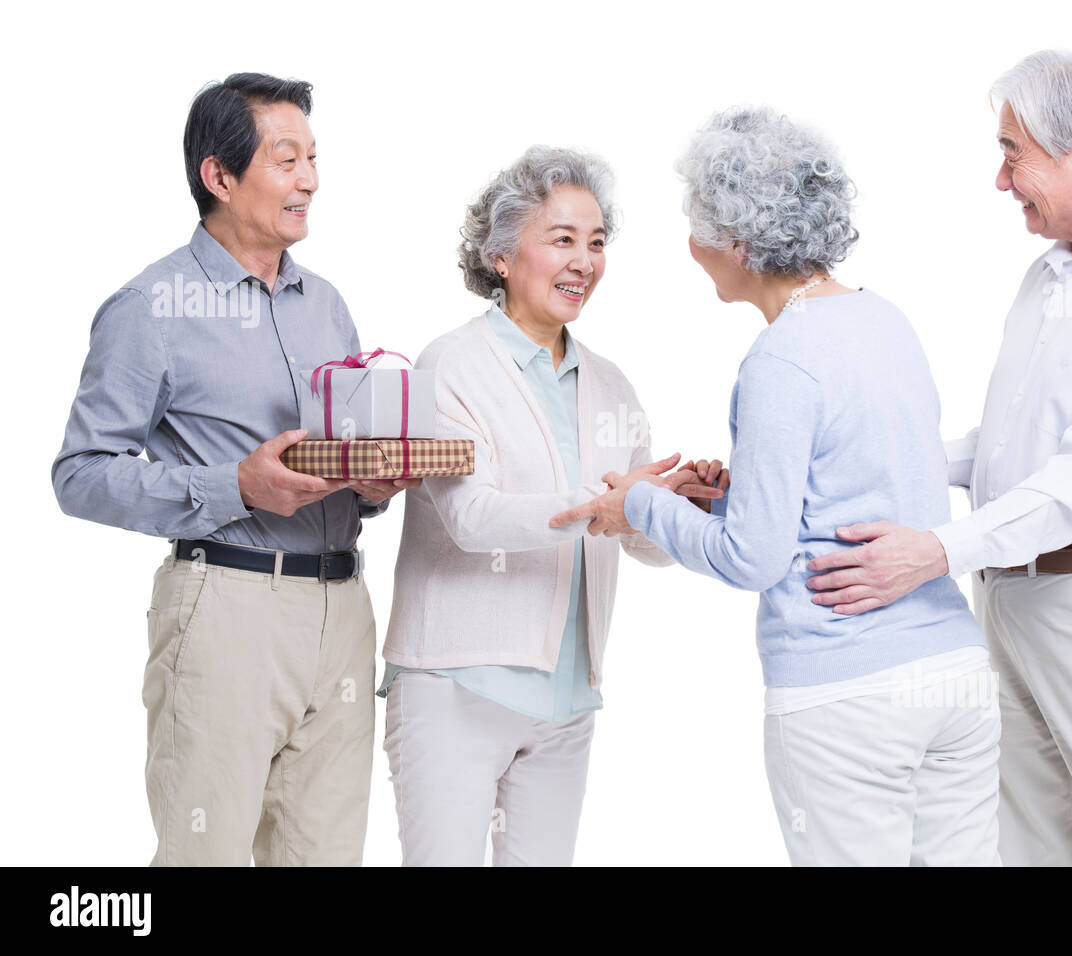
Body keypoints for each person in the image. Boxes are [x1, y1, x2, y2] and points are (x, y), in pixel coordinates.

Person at [805, 50, 1072, 866]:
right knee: (1039, 851)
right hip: (1012, 598)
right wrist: (846, 459)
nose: (1001, 180)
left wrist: (932, 552)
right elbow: (1007, 450)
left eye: (1013, 153)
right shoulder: (1051, 276)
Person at [552, 108, 1001, 866]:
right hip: (953, 675)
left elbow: (753, 559)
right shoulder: (887, 320)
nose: (690, 246)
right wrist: (724, 496)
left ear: (740, 242)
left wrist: (640, 503)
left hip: (845, 694)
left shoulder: (781, 360)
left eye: (699, 226)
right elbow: (861, 486)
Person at [50, 73, 417, 866]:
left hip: (343, 609)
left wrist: (372, 485)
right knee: (203, 855)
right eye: (287, 160)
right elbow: (79, 473)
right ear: (219, 176)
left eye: (313, 158)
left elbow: (336, 454)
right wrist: (234, 486)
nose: (311, 180)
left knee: (324, 857)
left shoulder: (327, 305)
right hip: (225, 610)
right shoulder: (151, 306)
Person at [380, 146, 715, 866]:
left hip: (568, 698)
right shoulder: (450, 364)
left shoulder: (611, 383)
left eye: (596, 243)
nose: (584, 261)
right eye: (561, 238)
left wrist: (677, 508)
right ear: (501, 257)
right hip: (456, 684)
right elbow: (473, 519)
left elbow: (641, 543)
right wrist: (611, 502)